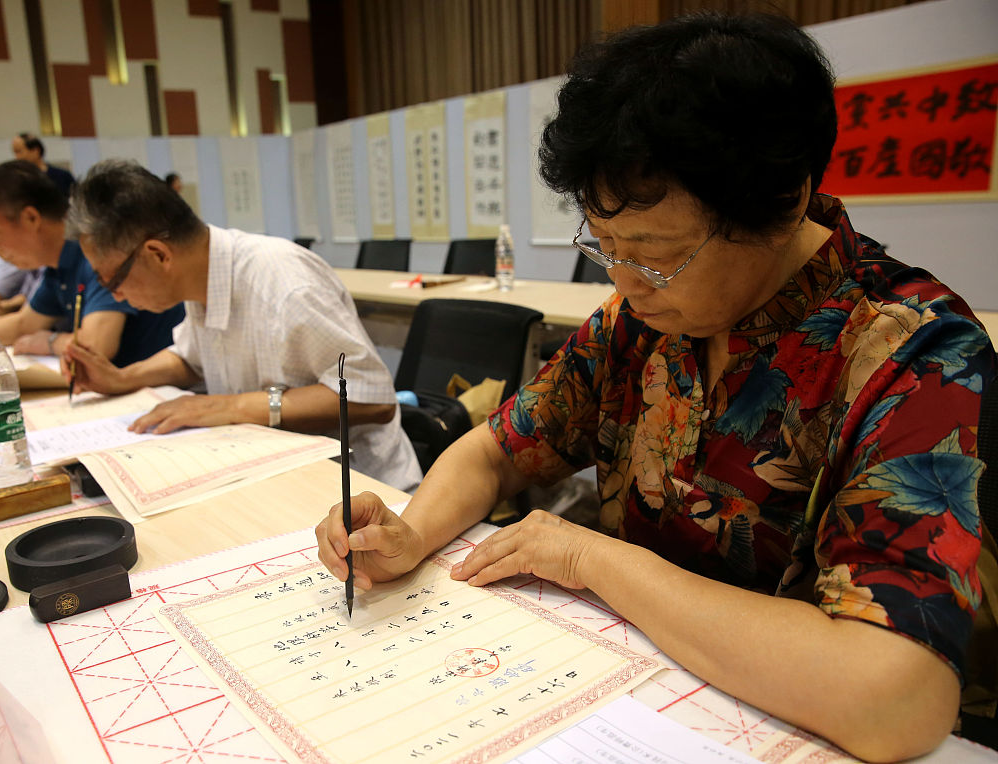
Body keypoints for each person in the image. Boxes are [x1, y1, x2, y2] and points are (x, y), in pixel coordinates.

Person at [316, 12, 997, 761]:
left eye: (655, 253)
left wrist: (593, 559)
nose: (624, 280)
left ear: (783, 201)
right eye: (603, 247)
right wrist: (414, 533)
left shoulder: (910, 349)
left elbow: (895, 697)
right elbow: (499, 450)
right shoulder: (638, 320)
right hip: (632, 694)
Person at [63, 160, 422, 492]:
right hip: (277, 474)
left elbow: (372, 398)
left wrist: (231, 407)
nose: (117, 296)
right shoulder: (200, 277)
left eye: (113, 281)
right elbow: (190, 359)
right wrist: (121, 378)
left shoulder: (284, 284)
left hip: (364, 492)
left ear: (158, 254)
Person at [0, 160, 182, 365]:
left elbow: (97, 345)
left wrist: (49, 341)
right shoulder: (57, 266)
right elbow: (22, 325)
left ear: (31, 218)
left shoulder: (93, 250)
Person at [11, 132, 75, 198]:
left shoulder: (63, 176)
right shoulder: (16, 181)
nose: (17, 157)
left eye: (18, 151)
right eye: (15, 152)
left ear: (35, 151)